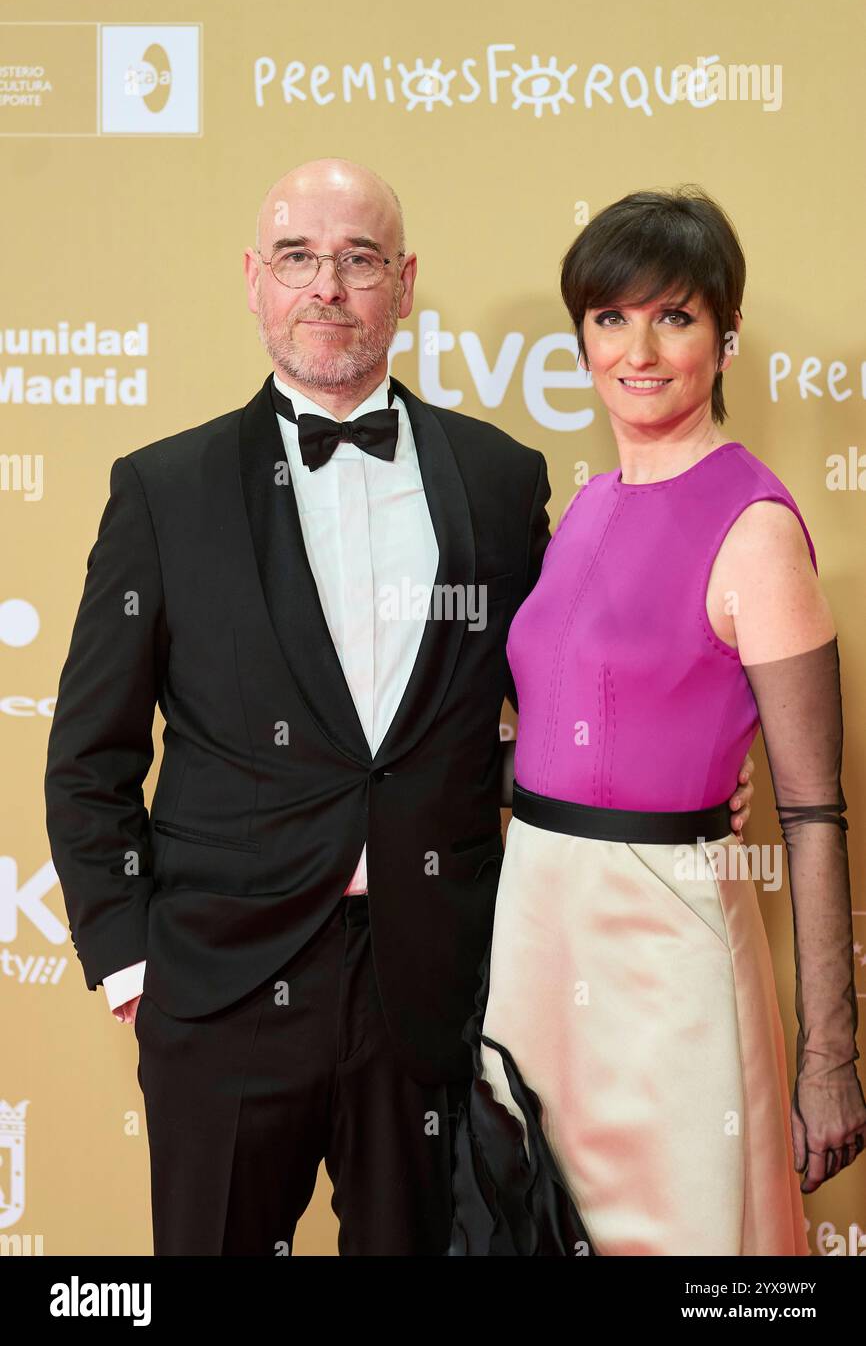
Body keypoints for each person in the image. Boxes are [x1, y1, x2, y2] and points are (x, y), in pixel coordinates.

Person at [44, 160, 752, 1257]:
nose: (326, 286)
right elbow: (88, 755)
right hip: (222, 987)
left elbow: (565, 701)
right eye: (296, 257)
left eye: (359, 259)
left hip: (435, 991)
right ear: (253, 279)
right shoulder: (162, 491)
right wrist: (136, 966)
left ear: (404, 282)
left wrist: (691, 766)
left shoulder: (498, 479)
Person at [448, 186, 866, 1257]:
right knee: (536, 1221)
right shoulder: (585, 506)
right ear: (582, 336)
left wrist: (829, 1056)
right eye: (609, 319)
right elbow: (563, 740)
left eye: (672, 317)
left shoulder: (755, 525)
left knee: (681, 1232)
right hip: (538, 927)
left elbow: (812, 810)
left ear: (723, 339)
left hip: (660, 946)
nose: (637, 349)